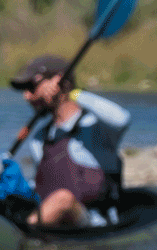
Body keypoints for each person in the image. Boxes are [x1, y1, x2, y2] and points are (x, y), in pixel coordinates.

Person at [8, 54, 132, 228]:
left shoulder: (96, 128)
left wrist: (72, 92)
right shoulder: (40, 138)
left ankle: (22, 234)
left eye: (32, 87)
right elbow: (42, 186)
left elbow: (122, 119)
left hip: (94, 226)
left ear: (60, 83)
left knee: (62, 199)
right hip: (56, 226)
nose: (26, 96)